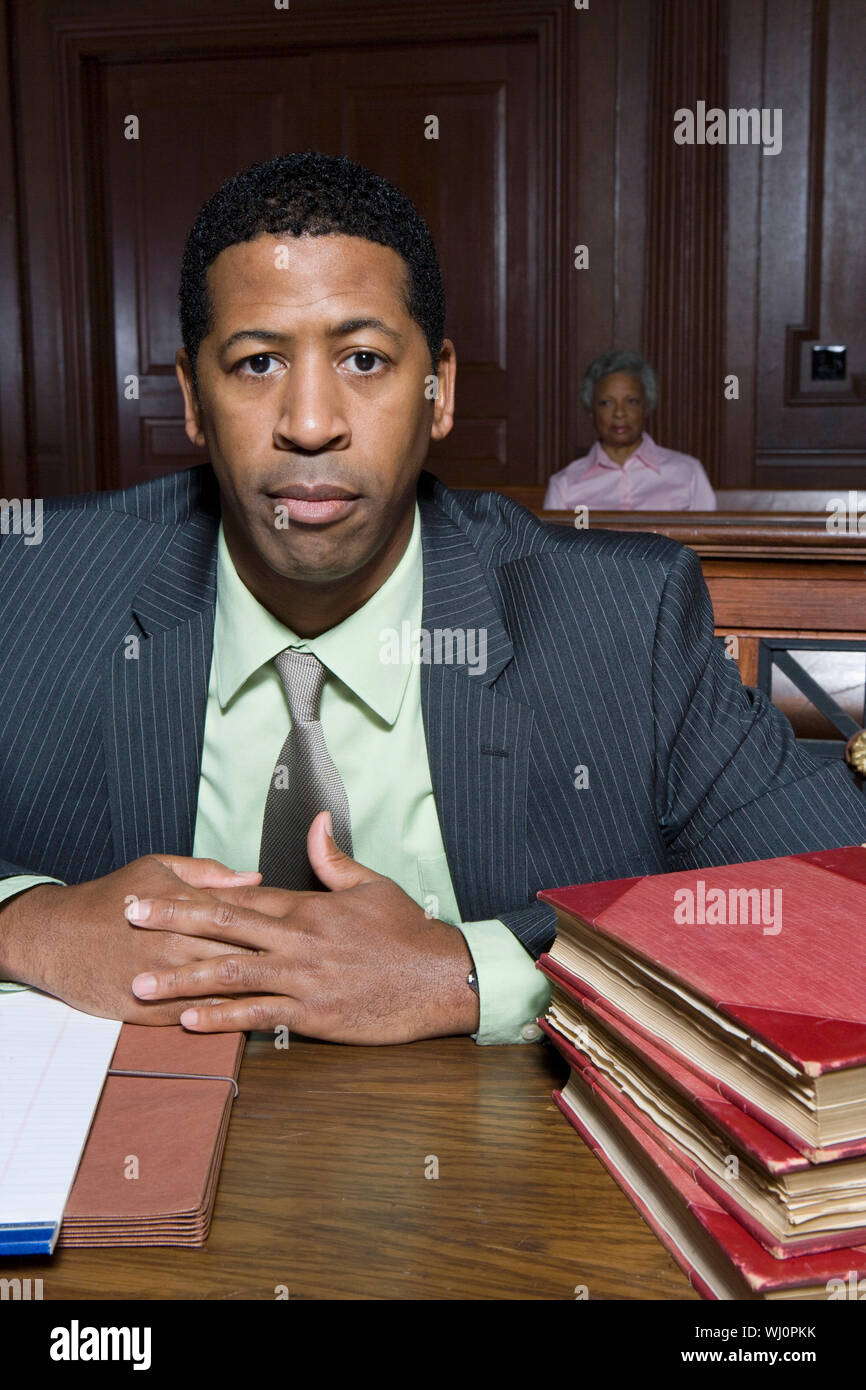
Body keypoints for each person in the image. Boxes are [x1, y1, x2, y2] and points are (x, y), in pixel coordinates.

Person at [0, 153, 863, 1048]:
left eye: (364, 359)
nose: (308, 421)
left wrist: (468, 973)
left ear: (438, 389)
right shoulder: (31, 586)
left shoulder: (618, 621)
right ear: (191, 397)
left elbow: (831, 902)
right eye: (257, 363)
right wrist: (26, 924)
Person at [544, 350, 716, 511]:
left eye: (632, 401)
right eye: (606, 403)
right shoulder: (564, 484)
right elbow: (549, 544)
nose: (619, 413)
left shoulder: (687, 472)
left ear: (646, 406)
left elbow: (710, 540)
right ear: (591, 410)